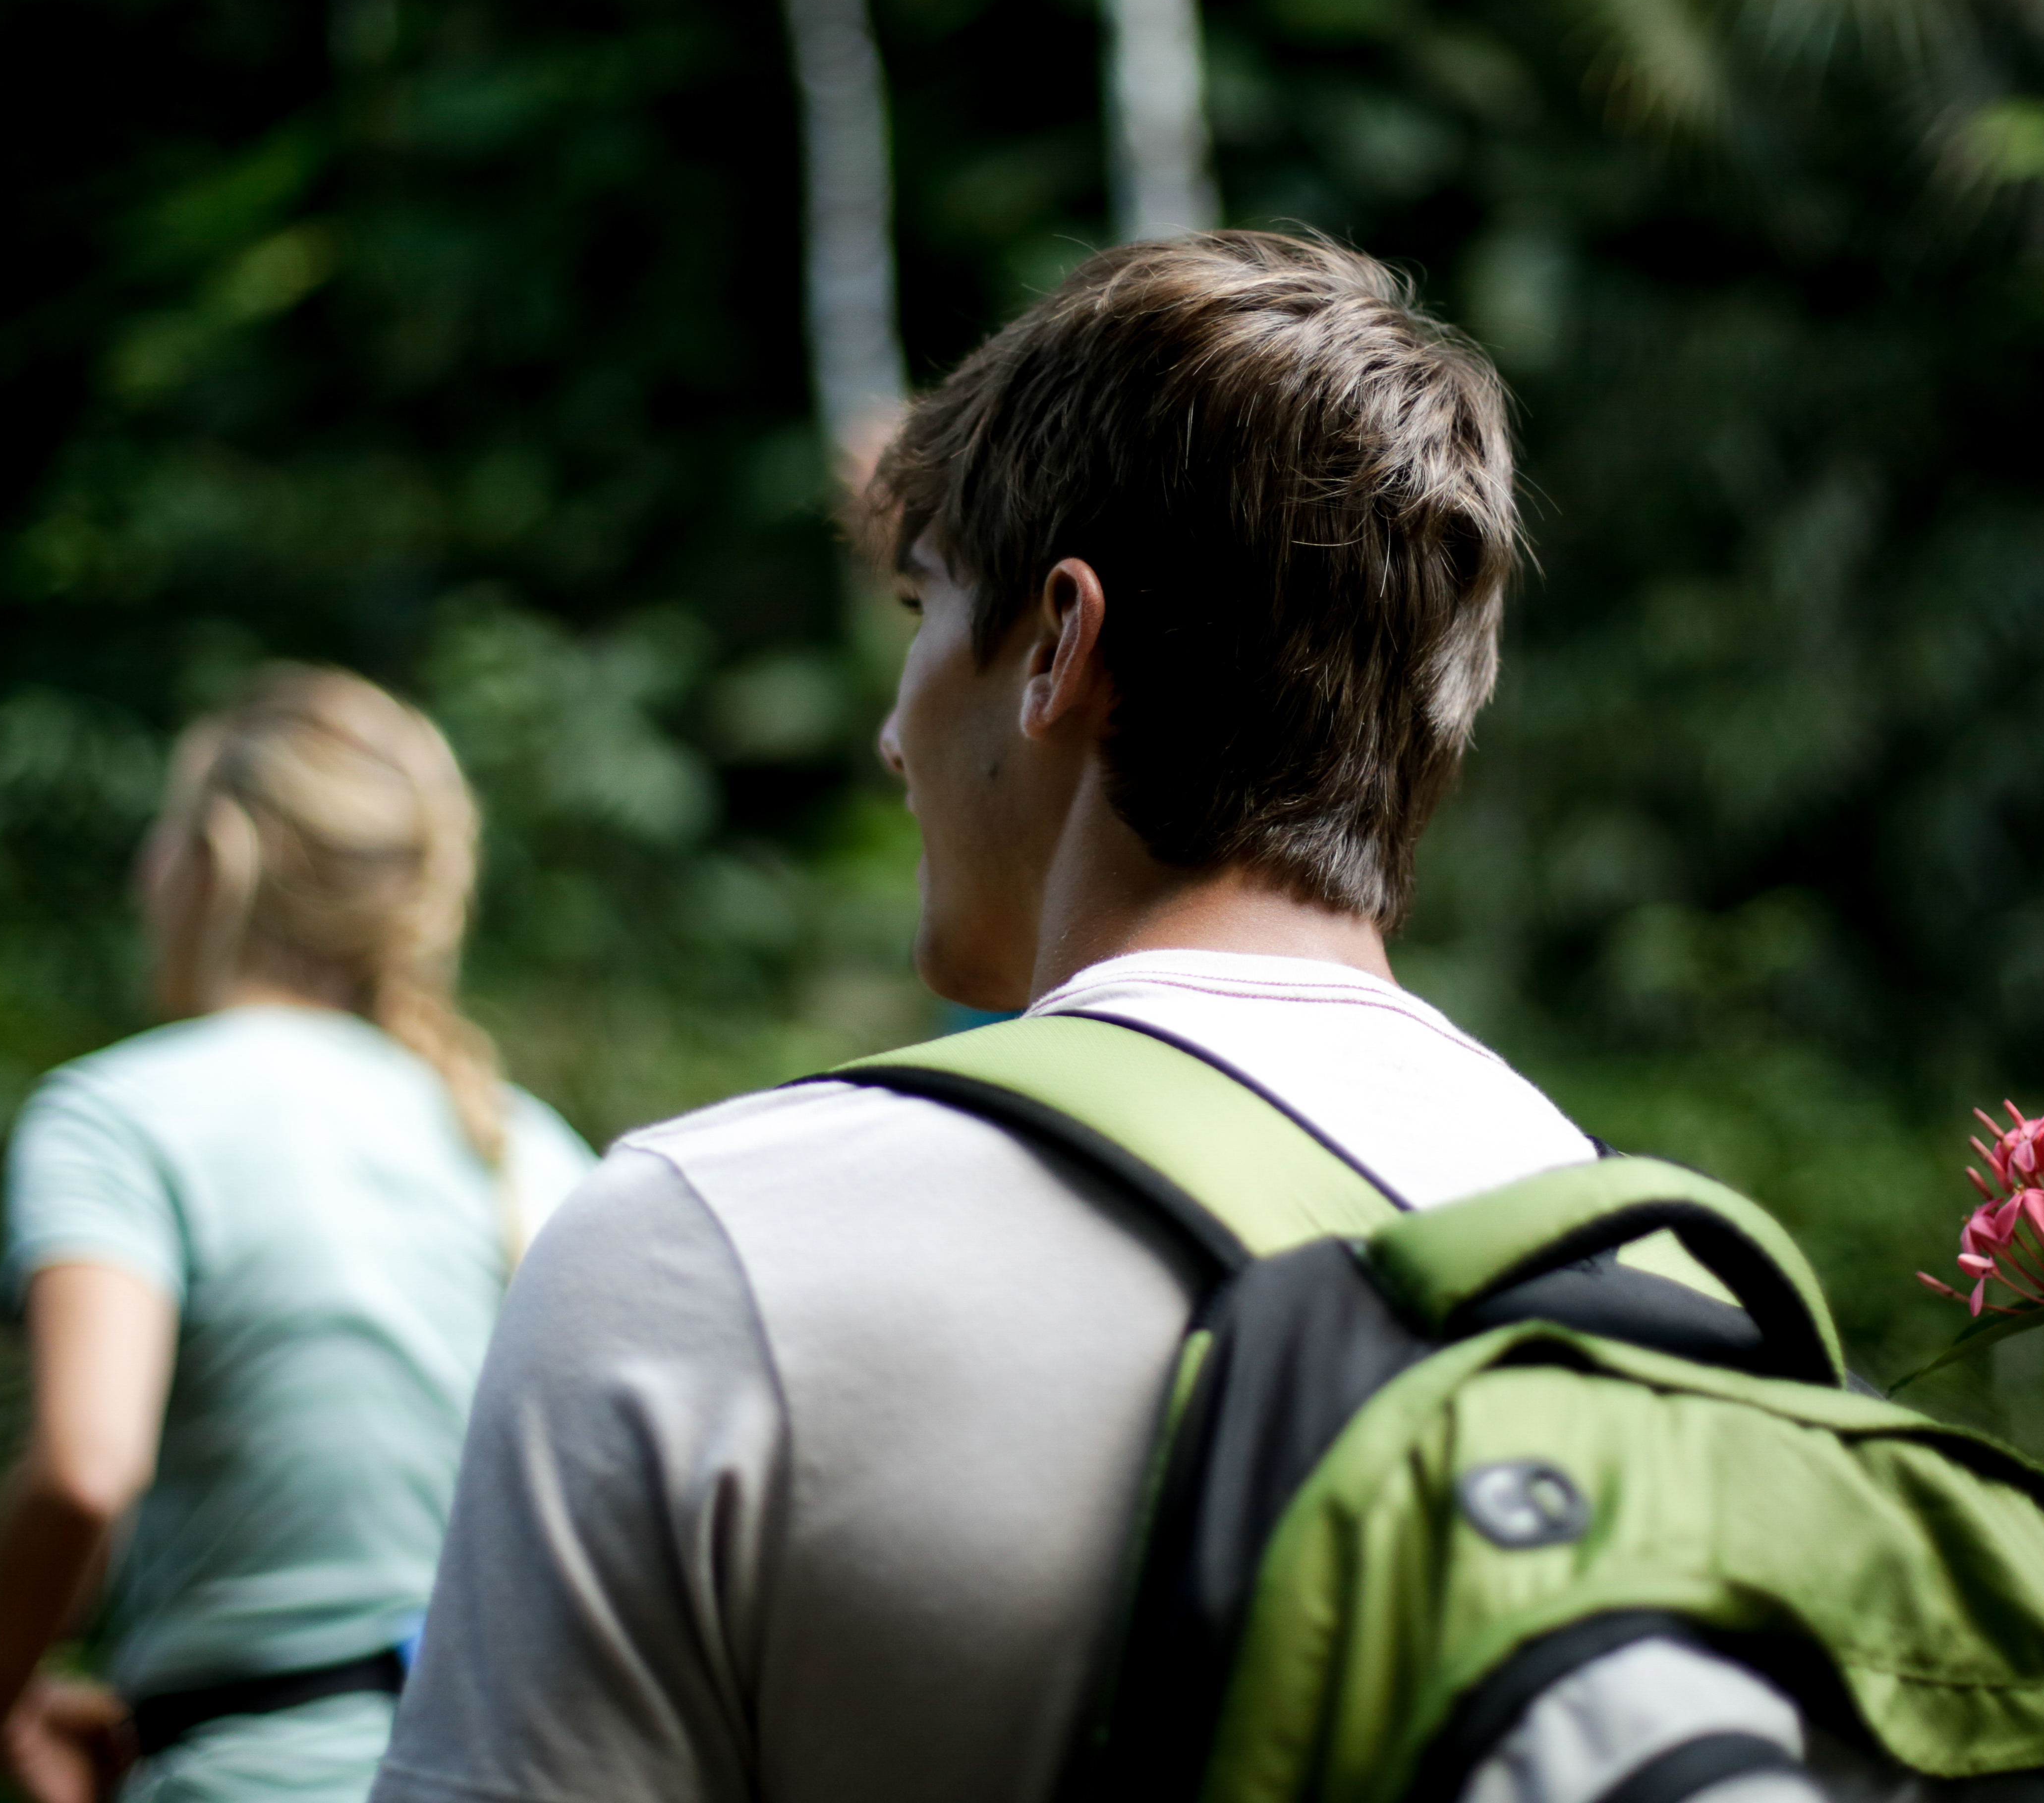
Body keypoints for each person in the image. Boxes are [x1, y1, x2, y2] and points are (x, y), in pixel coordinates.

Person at [375, 232, 1630, 1803]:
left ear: (1056, 647)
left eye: (921, 607)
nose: (897, 731)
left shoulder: (704, 1254)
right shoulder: (1653, 1270)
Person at [0, 665, 595, 1803]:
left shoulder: (119, 1114)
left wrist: (0, 1694)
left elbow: (85, 1468)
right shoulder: (530, 1147)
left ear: (212, 860)